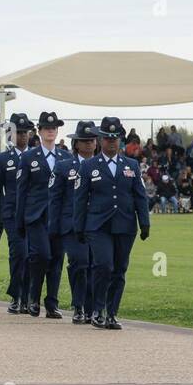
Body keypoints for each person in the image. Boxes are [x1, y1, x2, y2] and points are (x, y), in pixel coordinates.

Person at [73, 117, 150, 330]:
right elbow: (79, 199)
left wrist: (145, 222)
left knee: (119, 269)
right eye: (108, 137)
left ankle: (112, 313)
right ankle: (98, 310)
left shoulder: (131, 165)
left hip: (124, 225)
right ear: (100, 139)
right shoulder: (89, 166)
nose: (112, 142)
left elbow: (140, 196)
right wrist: (78, 227)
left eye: (116, 138)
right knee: (104, 266)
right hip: (98, 226)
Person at [15, 111, 66, 318]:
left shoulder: (66, 157)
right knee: (41, 256)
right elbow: (21, 191)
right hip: (36, 216)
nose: (50, 132)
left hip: (59, 218)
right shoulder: (29, 157)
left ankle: (52, 303)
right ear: (40, 131)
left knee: (56, 259)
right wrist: (20, 221)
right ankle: (33, 297)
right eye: (46, 128)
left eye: (53, 128)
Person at [50, 121, 99, 323]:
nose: (88, 145)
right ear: (76, 144)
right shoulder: (63, 167)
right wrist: (53, 227)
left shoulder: (102, 166)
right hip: (71, 224)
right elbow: (55, 199)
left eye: (91, 141)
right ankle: (79, 306)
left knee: (96, 265)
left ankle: (93, 308)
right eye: (84, 141)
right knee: (79, 263)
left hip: (97, 224)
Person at [0, 112, 33, 312]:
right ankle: (17, 296)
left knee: (35, 255)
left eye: (25, 132)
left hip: (34, 214)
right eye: (18, 132)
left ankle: (29, 296)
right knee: (19, 254)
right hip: (12, 214)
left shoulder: (36, 157)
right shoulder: (2, 159)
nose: (22, 136)